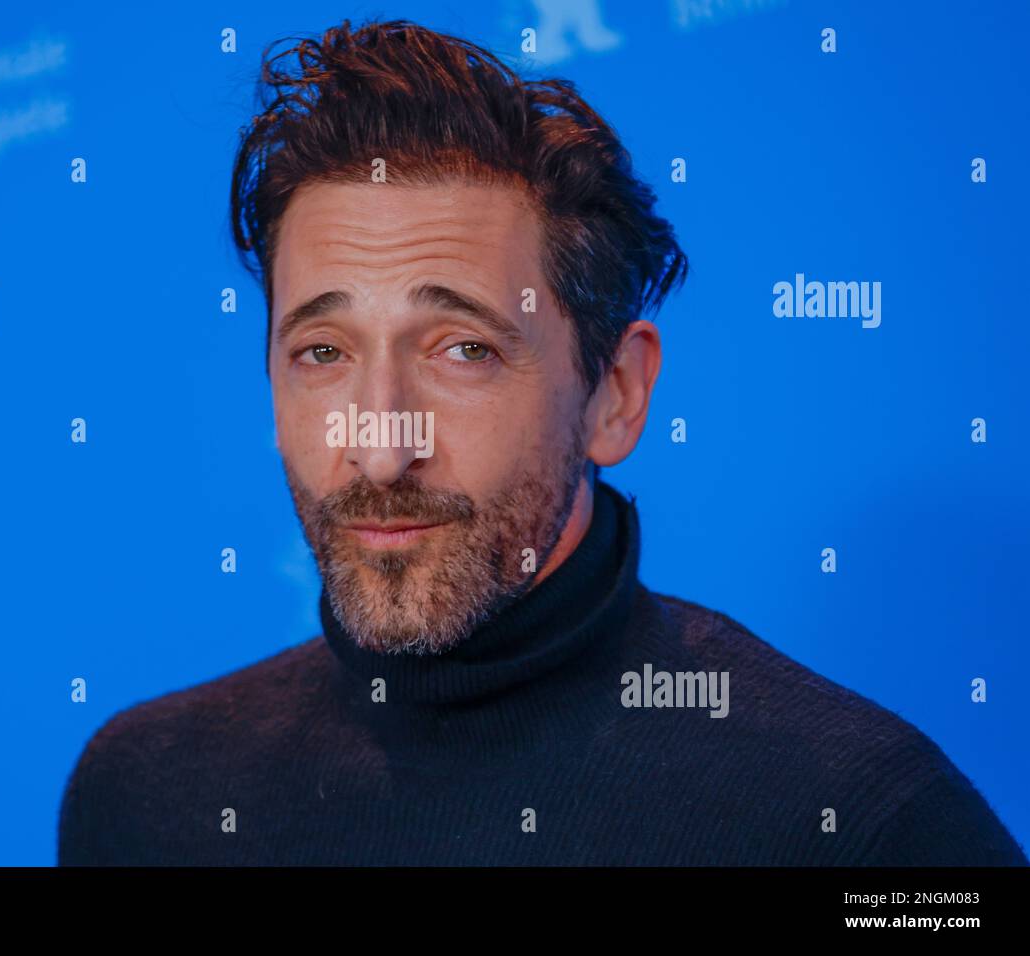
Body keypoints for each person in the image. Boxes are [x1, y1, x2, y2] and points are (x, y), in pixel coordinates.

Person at [57, 19, 1026, 865]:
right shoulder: (143, 794)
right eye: (323, 351)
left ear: (614, 392)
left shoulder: (854, 818)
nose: (380, 448)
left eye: (464, 348)